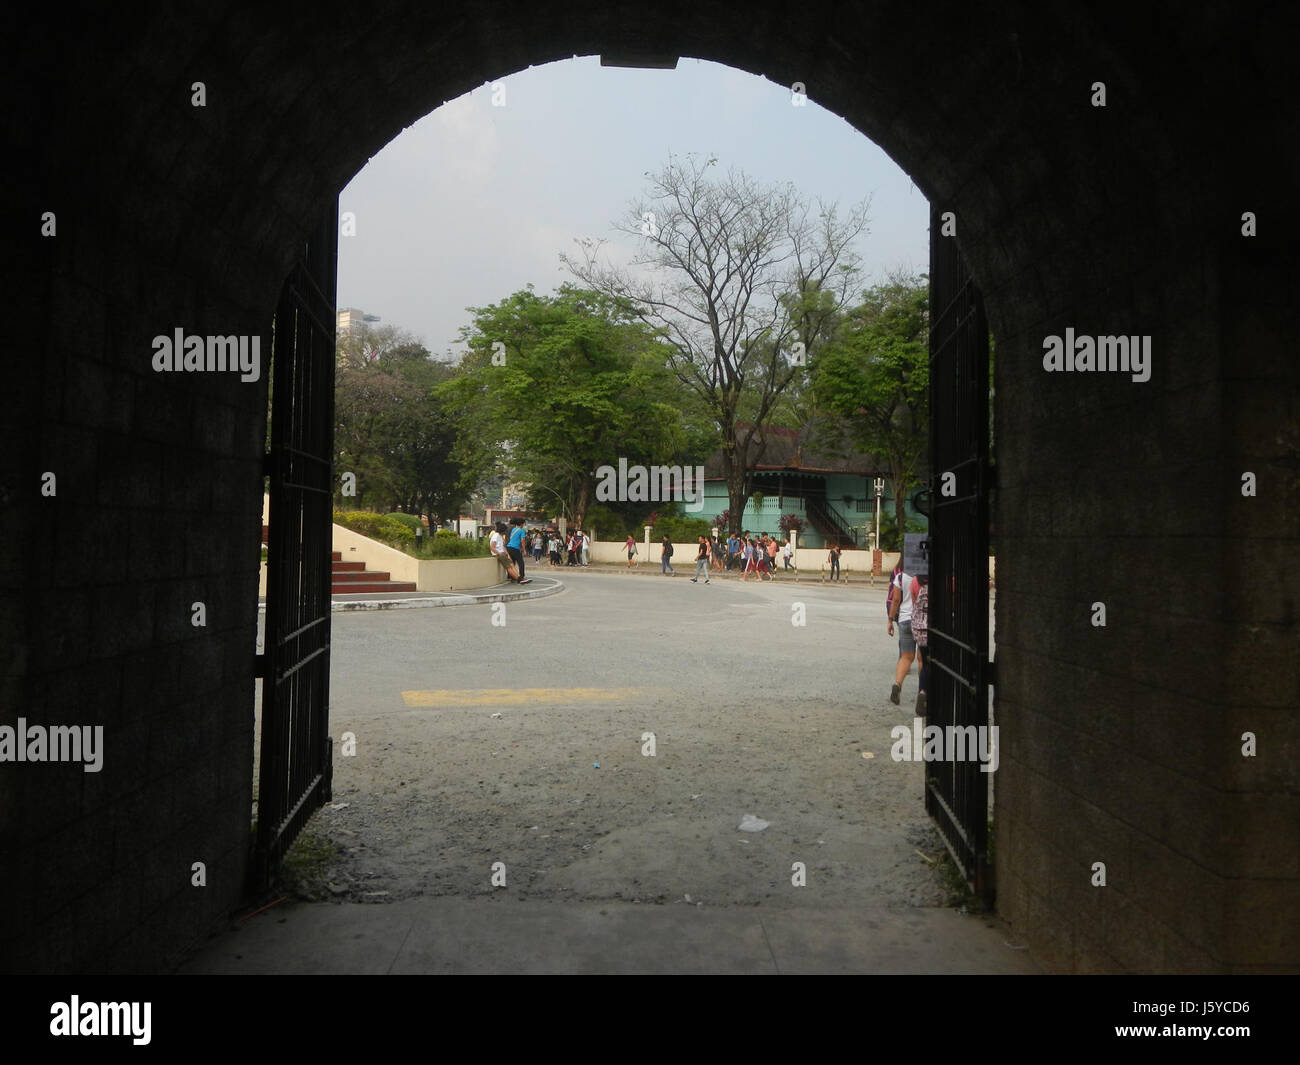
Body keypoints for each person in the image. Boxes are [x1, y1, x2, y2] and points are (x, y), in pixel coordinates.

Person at [887, 566, 917, 704]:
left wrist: (890, 620)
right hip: (922, 621)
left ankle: (897, 684)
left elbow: (896, 600)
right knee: (922, 659)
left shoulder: (900, 577)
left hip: (904, 619)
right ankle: (922, 692)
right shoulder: (925, 576)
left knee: (905, 657)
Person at [911, 573, 930, 716]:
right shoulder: (947, 581)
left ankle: (922, 691)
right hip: (936, 629)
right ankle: (929, 694)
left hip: (920, 630)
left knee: (924, 662)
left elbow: (914, 605)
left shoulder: (915, 582)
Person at [506, 517, 531, 584]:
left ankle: (511, 577)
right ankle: (521, 577)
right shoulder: (521, 530)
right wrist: (524, 550)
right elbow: (522, 541)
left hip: (509, 547)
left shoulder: (513, 529)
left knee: (512, 563)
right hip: (515, 548)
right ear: (522, 524)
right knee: (521, 563)